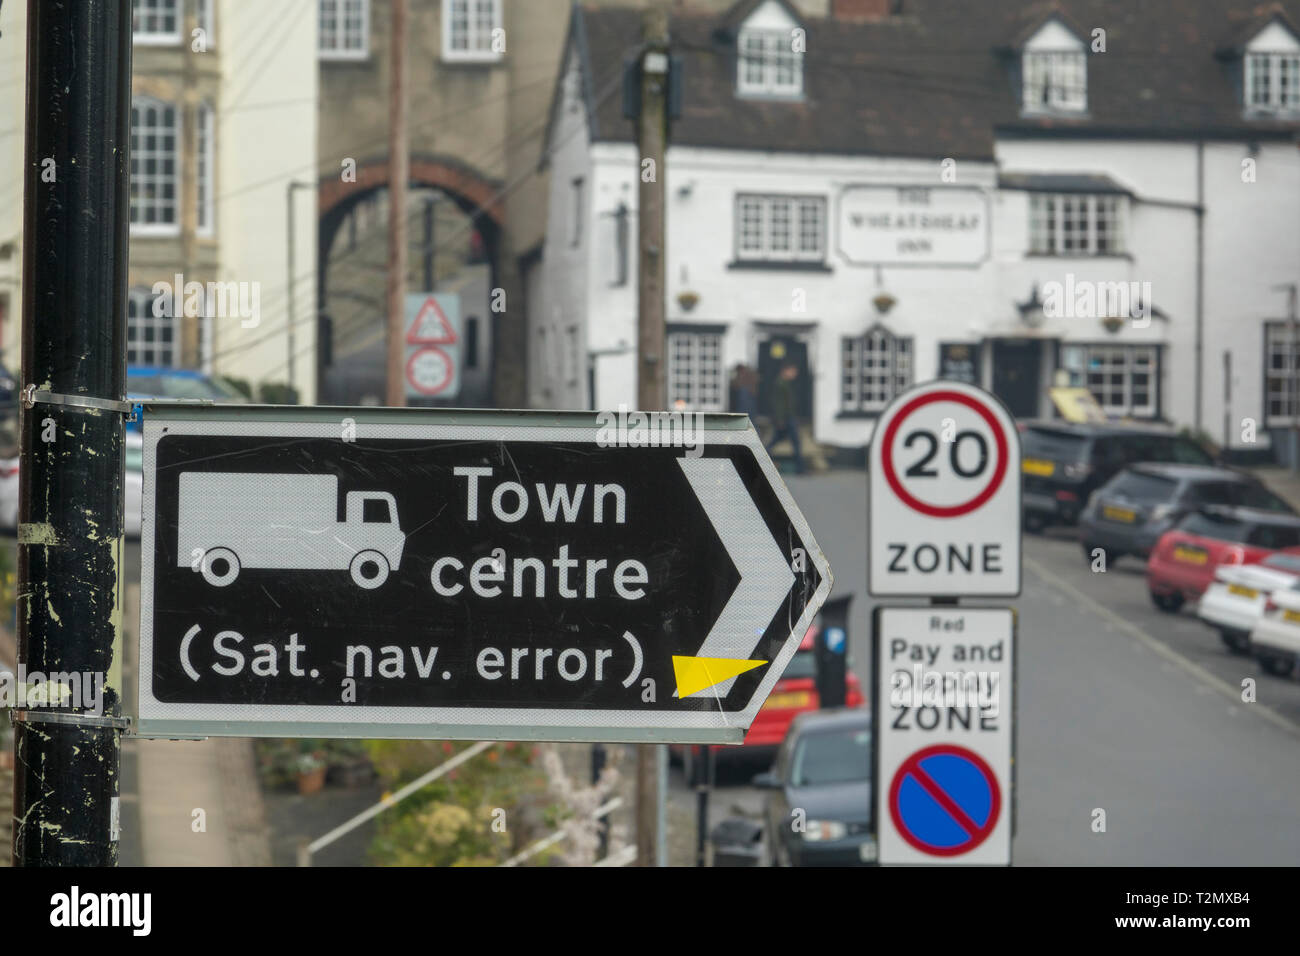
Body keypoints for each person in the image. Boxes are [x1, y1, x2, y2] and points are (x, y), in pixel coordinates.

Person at [765, 363, 804, 474]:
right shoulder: (780, 383)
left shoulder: (785, 383)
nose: (795, 374)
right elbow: (779, 403)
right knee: (795, 442)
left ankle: (800, 468)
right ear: (786, 371)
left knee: (778, 439)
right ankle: (800, 469)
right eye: (793, 372)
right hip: (786, 418)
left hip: (787, 417)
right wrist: (780, 419)